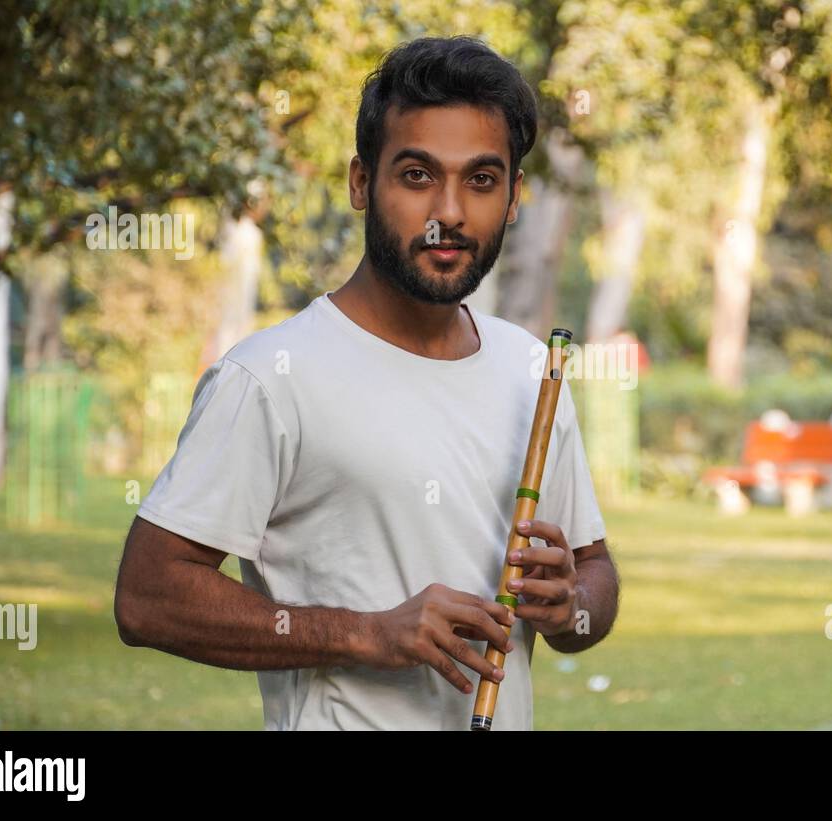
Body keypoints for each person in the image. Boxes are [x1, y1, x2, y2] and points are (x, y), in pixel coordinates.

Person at [113, 36, 619, 730]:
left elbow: (595, 575)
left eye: (480, 179)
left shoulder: (534, 370)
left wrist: (571, 605)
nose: (450, 210)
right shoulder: (269, 378)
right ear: (361, 182)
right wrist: (365, 633)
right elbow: (147, 596)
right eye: (417, 176)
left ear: (512, 198)